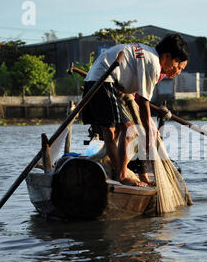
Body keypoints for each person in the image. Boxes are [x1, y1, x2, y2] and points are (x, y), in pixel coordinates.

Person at [81, 34, 189, 186]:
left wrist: (148, 128)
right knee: (128, 129)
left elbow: (138, 99)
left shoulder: (148, 53)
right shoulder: (153, 63)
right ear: (166, 56)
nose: (176, 67)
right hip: (104, 81)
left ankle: (123, 172)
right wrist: (148, 131)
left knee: (114, 132)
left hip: (96, 81)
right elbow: (144, 103)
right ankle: (123, 175)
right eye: (176, 62)